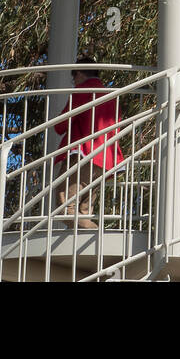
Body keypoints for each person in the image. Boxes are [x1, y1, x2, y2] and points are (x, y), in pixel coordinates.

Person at [53, 56, 124, 230]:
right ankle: (88, 244)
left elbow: (61, 125)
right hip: (104, 161)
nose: (74, 82)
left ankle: (98, 236)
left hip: (83, 156)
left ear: (78, 73)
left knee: (66, 209)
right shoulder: (111, 95)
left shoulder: (84, 90)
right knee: (83, 212)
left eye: (73, 77)